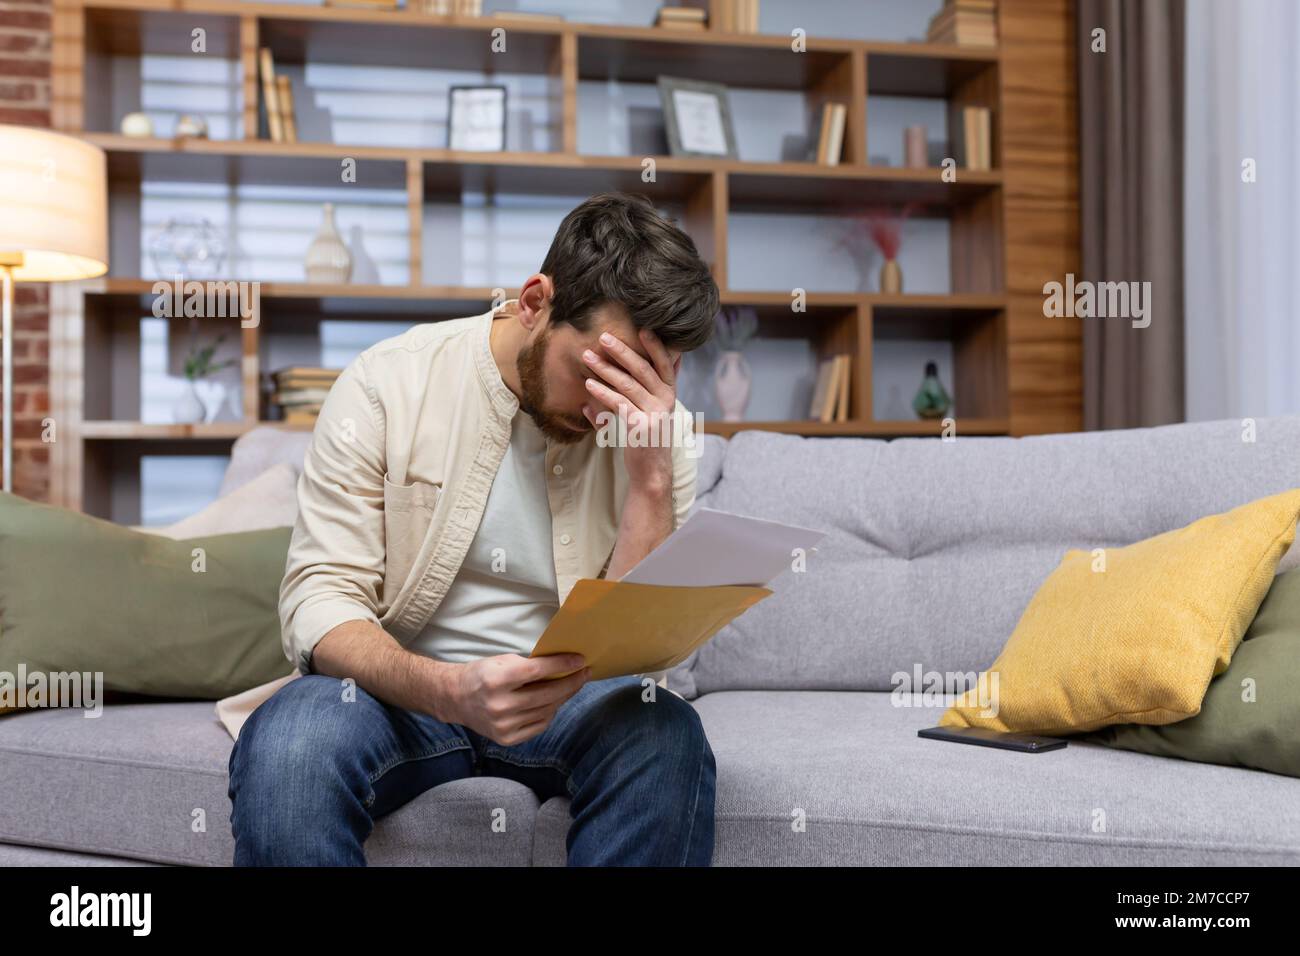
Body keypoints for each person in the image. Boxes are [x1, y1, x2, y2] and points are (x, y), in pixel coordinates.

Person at [228, 192, 721, 866]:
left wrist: (651, 480)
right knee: (292, 743)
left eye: (635, 381)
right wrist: (448, 690)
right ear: (534, 301)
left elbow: (642, 656)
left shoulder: (658, 432)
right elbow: (320, 599)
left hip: (572, 703)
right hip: (398, 698)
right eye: (592, 373)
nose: (605, 408)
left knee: (665, 734)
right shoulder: (385, 384)